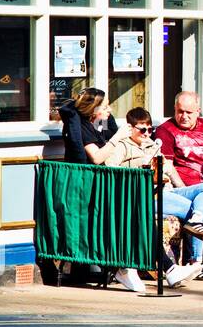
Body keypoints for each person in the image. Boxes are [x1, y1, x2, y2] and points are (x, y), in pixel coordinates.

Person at [106, 107, 203, 287]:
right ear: (130, 128)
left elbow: (169, 170)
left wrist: (181, 189)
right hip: (141, 197)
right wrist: (139, 170)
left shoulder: (153, 144)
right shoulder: (122, 146)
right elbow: (110, 170)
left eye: (150, 129)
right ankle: (194, 261)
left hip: (164, 190)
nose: (147, 134)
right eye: (143, 130)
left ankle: (196, 225)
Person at [55, 88, 151, 294]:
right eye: (105, 105)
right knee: (127, 214)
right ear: (94, 109)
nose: (109, 109)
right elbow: (97, 157)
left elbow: (109, 142)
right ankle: (122, 266)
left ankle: (139, 265)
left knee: (136, 212)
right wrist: (118, 138)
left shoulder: (99, 123)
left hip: (106, 182)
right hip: (88, 187)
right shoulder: (83, 127)